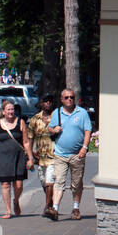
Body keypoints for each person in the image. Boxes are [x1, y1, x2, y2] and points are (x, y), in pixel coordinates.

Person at [0, 99, 33, 218]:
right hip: (2, 157)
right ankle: (8, 210)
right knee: (5, 184)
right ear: (3, 111)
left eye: (12, 109)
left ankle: (16, 201)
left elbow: (26, 142)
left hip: (19, 157)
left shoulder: (20, 122)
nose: (11, 112)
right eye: (8, 109)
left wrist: (30, 158)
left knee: (18, 184)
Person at [48, 87, 92, 219]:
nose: (69, 100)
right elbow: (50, 128)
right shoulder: (57, 113)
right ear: (62, 99)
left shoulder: (82, 113)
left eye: (71, 97)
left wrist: (84, 147)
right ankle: (55, 209)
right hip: (60, 154)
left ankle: (76, 208)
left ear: (75, 99)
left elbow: (88, 131)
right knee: (59, 181)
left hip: (77, 154)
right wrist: (54, 130)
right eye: (66, 97)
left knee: (76, 183)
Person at [28, 95, 59, 220]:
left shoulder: (57, 117)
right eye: (45, 102)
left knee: (49, 181)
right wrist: (30, 154)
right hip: (40, 156)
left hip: (54, 154)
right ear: (41, 104)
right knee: (44, 182)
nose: (48, 104)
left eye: (50, 102)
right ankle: (51, 205)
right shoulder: (35, 119)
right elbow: (30, 138)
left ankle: (46, 207)